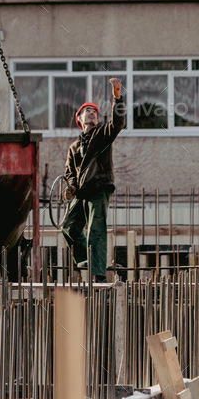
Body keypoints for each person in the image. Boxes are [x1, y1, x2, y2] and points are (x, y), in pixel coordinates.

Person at [62, 78, 125, 282]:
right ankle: (86, 261)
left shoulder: (103, 133)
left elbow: (118, 122)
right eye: (87, 111)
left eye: (95, 111)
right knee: (69, 227)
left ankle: (99, 276)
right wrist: (71, 186)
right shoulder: (73, 147)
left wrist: (117, 95)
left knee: (96, 230)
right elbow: (70, 171)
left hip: (99, 188)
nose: (92, 112)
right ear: (79, 119)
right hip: (81, 193)